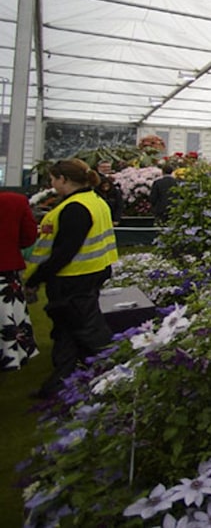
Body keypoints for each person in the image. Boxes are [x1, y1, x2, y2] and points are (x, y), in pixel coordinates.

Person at [23, 159, 119, 398]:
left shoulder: (76, 208)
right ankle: (61, 382)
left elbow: (64, 251)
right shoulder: (95, 200)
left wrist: (36, 278)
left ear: (64, 179)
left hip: (74, 278)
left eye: (54, 179)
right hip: (89, 273)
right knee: (67, 330)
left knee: (89, 332)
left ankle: (116, 374)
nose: (52, 184)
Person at [0, 190, 39, 370]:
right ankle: (9, 354)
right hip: (5, 269)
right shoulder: (15, 201)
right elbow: (29, 236)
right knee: (5, 313)